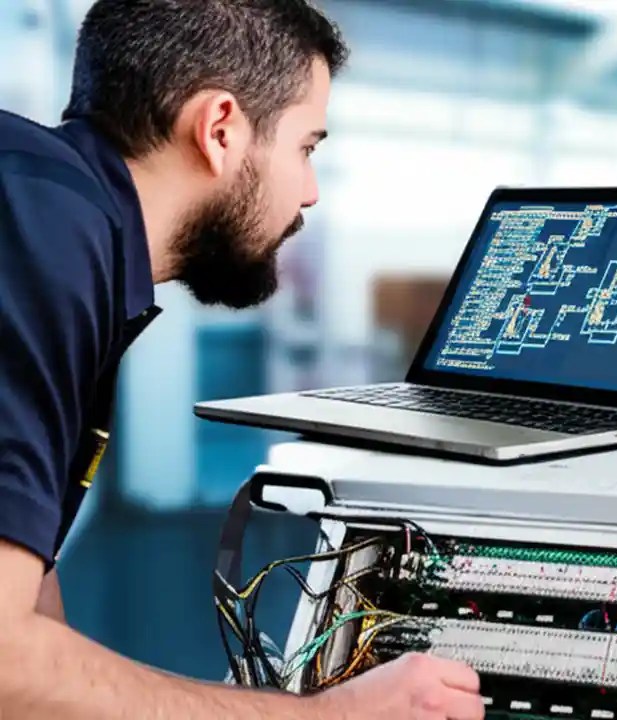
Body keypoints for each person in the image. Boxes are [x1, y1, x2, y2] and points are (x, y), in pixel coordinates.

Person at [0, 2, 483, 718]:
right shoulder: (49, 241)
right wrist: (327, 716)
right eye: (306, 148)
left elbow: (29, 610)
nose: (310, 192)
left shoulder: (59, 217)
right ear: (220, 128)